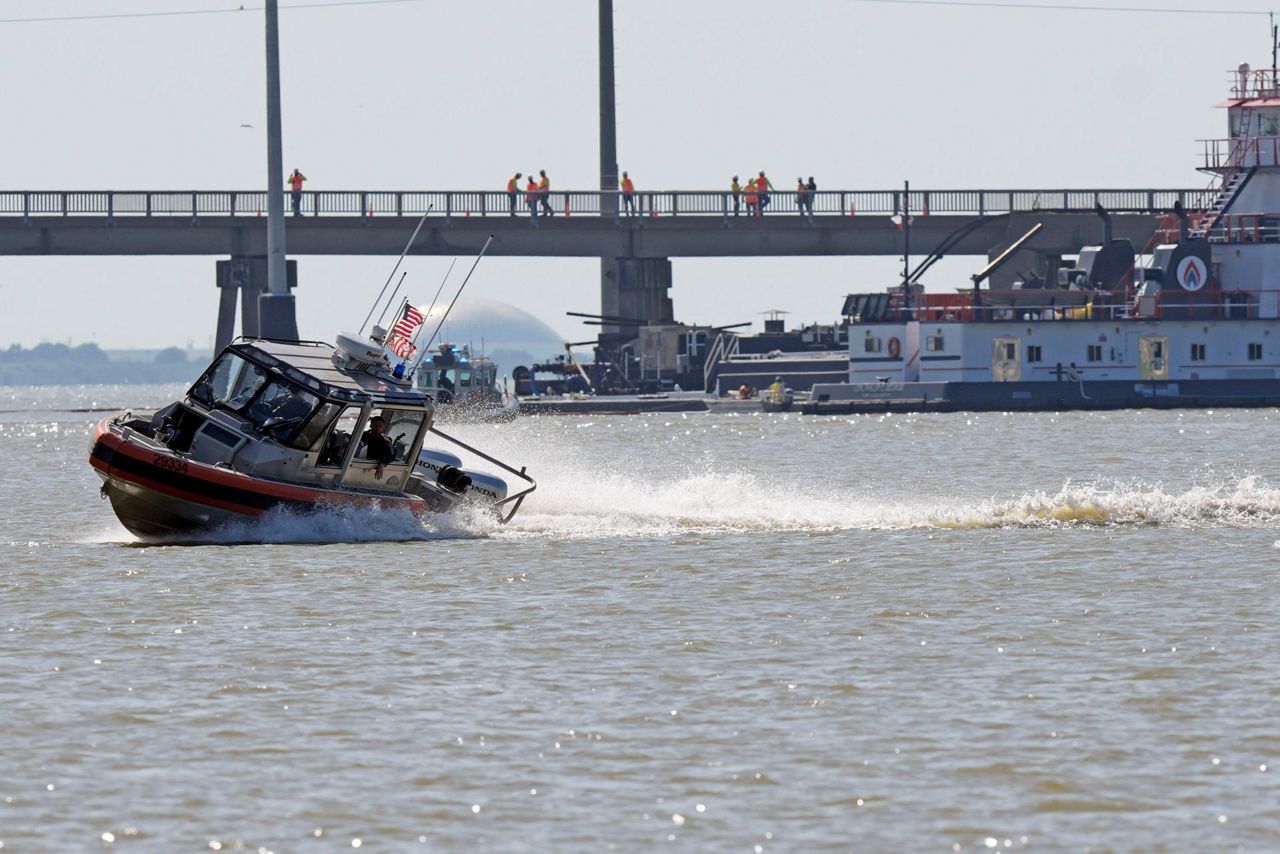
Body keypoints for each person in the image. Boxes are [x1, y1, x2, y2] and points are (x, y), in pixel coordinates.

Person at [361, 414, 395, 479]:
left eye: (380, 426)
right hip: (361, 460)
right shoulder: (364, 435)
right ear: (371, 426)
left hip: (371, 465)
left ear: (383, 427)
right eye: (375, 425)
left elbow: (390, 454)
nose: (378, 428)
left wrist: (382, 464)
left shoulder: (385, 441)